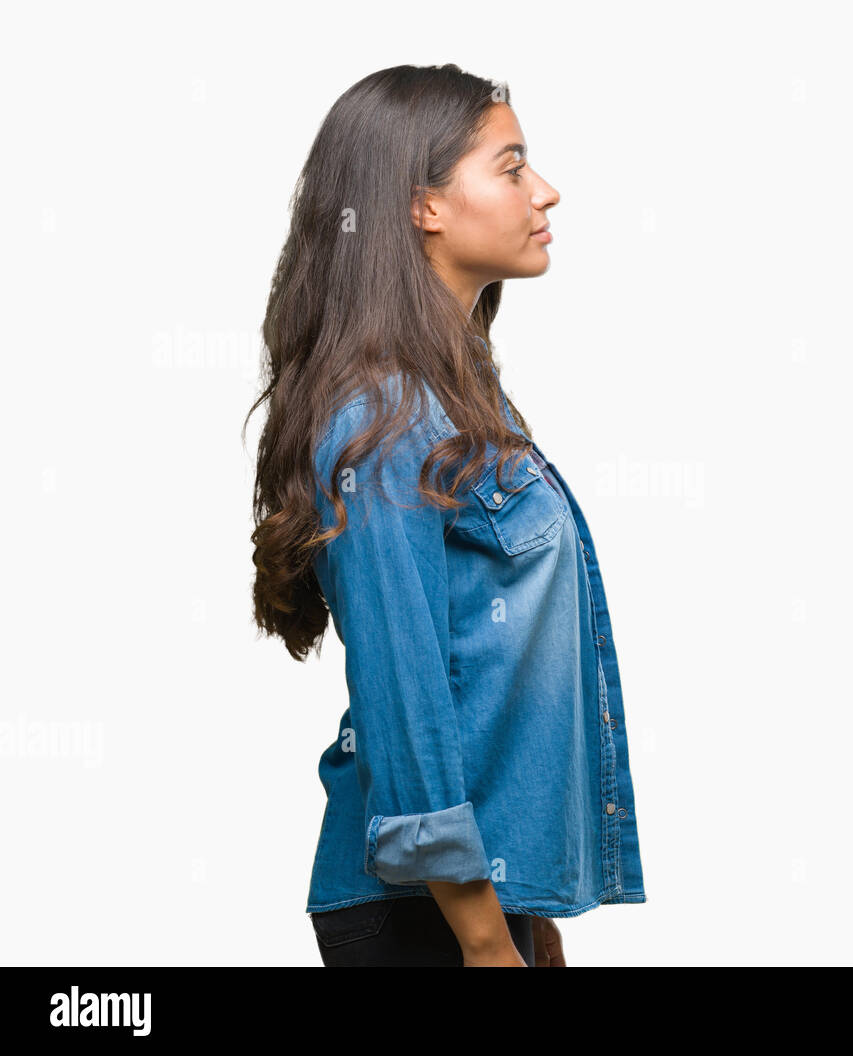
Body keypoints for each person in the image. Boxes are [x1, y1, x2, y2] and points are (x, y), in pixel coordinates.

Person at [245, 63, 647, 967]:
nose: (545, 190)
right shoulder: (382, 420)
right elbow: (404, 692)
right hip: (418, 915)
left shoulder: (458, 397)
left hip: (476, 906)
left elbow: (485, 667)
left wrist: (523, 920)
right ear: (423, 206)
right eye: (510, 167)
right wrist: (482, 938)